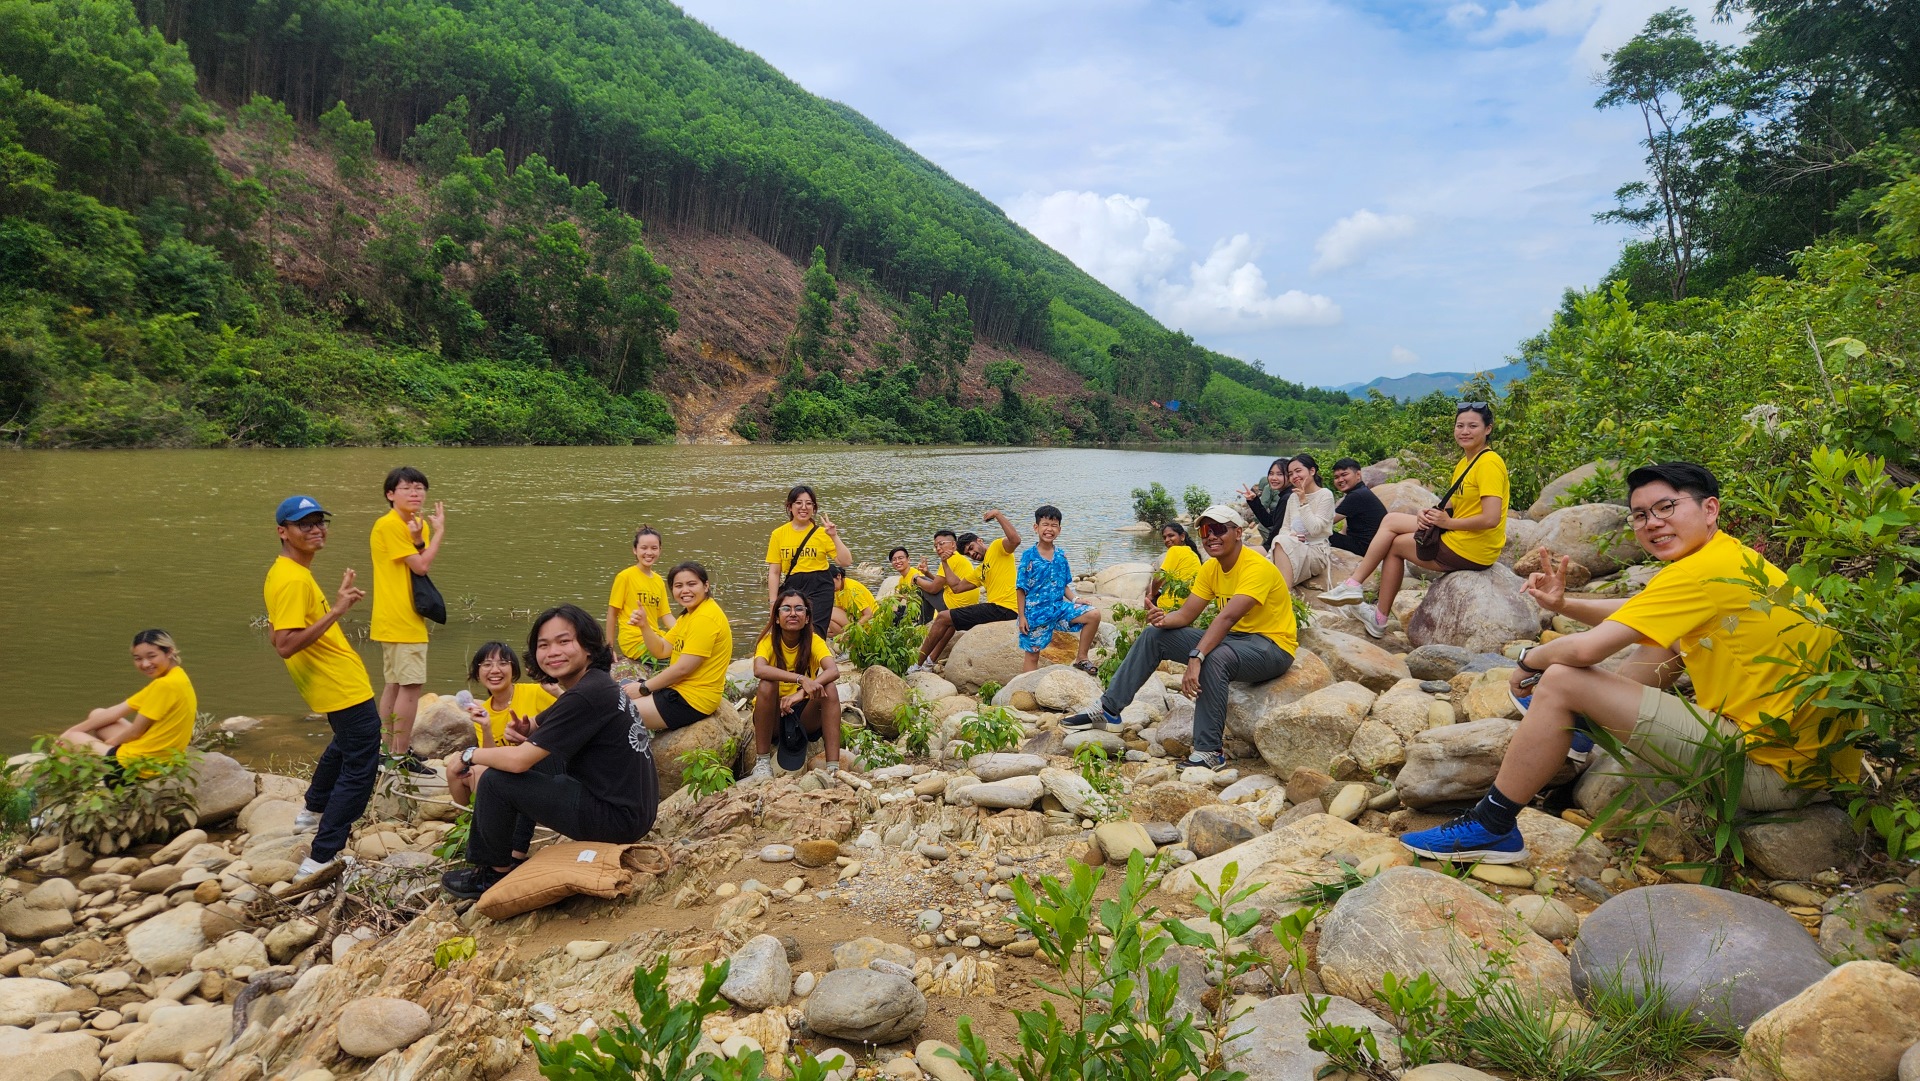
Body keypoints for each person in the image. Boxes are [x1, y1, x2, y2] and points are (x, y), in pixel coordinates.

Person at [1399, 462, 1860, 864]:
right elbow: (1642, 613)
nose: (1652, 523)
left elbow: (1583, 652)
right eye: (1641, 515)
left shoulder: (1698, 573)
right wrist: (1565, 604)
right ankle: (1580, 729)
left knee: (1560, 679)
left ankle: (1493, 824)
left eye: (1666, 508)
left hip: (1768, 774)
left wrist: (1528, 659)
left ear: (1710, 509)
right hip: (1817, 765)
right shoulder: (1728, 558)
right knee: (1669, 638)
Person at [440, 605, 659, 899]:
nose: (552, 652)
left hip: (616, 821)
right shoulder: (595, 684)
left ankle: (492, 875)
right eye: (543, 645)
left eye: (564, 641)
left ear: (589, 648)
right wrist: (525, 729)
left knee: (496, 779)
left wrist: (468, 755)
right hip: (631, 810)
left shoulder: (585, 694)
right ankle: (515, 855)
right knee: (538, 758)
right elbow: (539, 724)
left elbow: (518, 763)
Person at [1064, 504, 1296, 770]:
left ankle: (1210, 751)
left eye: (1219, 529)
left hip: (1272, 647)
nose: (1211, 536)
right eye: (1206, 530)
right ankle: (1108, 709)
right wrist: (1163, 619)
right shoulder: (1211, 569)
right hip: (1236, 640)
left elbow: (1227, 618)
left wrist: (1196, 657)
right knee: (1155, 635)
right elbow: (1186, 615)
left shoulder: (1257, 568)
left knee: (1214, 656)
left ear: (1239, 533)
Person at [265, 495, 381, 878]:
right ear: (283, 531)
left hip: (333, 684)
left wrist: (331, 606)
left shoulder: (284, 572)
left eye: (320, 522)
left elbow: (275, 632)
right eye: (305, 524)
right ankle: (322, 856)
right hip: (341, 685)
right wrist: (337, 610)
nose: (316, 529)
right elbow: (284, 645)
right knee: (360, 767)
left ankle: (311, 811)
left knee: (344, 744)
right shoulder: (293, 579)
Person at [1322, 402, 1509, 639]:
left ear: (1488, 429)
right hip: (1463, 536)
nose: (1464, 431)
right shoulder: (1467, 461)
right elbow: (1456, 503)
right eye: (1460, 425)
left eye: (1473, 426)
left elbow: (1491, 518)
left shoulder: (1489, 463)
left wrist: (1448, 524)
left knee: (1395, 544)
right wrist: (1429, 513)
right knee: (1391, 521)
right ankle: (1364, 599)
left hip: (1474, 547)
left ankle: (1364, 598)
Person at [369, 466, 444, 774]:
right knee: (410, 687)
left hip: (396, 616)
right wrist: (439, 531)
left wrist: (421, 538)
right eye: (407, 488)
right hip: (401, 617)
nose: (415, 493)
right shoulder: (389, 525)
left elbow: (416, 562)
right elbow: (422, 567)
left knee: (395, 684)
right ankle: (399, 756)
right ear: (390, 494)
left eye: (420, 488)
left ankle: (387, 750)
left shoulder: (413, 525)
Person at [59, 630, 197, 779]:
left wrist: (109, 743)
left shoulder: (165, 685)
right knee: (97, 714)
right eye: (138, 658)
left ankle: (61, 786)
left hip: (141, 769)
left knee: (71, 740)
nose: (145, 664)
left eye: (151, 656)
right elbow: (118, 710)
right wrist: (69, 730)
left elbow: (135, 732)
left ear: (169, 652)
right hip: (160, 758)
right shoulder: (177, 676)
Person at [749, 590, 853, 780]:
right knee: (767, 684)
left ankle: (833, 769)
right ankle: (762, 762)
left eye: (799, 609)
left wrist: (800, 694)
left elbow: (833, 671)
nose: (793, 613)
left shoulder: (813, 640)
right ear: (777, 618)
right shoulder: (769, 641)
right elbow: (759, 669)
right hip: (773, 717)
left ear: (806, 618)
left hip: (804, 715)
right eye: (786, 609)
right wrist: (801, 679)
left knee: (828, 687)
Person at [623, 562, 733, 732]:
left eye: (691, 584)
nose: (685, 591)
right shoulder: (688, 616)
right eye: (678, 586)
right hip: (678, 690)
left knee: (616, 712)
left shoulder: (706, 617)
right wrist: (644, 625)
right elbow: (661, 650)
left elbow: (683, 669)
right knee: (612, 698)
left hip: (692, 700)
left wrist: (643, 688)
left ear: (706, 586)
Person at [447, 641, 557, 807]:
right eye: (487, 664)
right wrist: (486, 727)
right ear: (478, 673)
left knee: (479, 772)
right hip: (508, 772)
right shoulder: (482, 711)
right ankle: (468, 819)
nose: (495, 670)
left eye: (503, 663)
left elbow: (573, 712)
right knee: (458, 771)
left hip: (545, 767)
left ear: (514, 671)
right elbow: (490, 759)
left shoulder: (536, 692)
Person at [911, 513, 1020, 673]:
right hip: (996, 609)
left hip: (1005, 608)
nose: (972, 554)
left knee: (942, 617)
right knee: (951, 620)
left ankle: (915, 665)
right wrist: (944, 562)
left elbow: (1015, 540)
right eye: (968, 553)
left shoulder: (998, 549)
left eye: (971, 548)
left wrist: (997, 515)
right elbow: (956, 587)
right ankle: (928, 663)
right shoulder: (980, 570)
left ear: (980, 541)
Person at [1015, 505, 1102, 674]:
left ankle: (1082, 659)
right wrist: (1022, 616)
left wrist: (1076, 599)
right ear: (1036, 527)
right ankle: (1026, 690)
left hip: (1059, 609)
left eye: (1054, 526)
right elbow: (1020, 588)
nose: (1049, 529)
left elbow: (1063, 585)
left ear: (1059, 530)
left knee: (1094, 614)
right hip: (1035, 613)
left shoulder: (1061, 556)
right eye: (1045, 524)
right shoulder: (1029, 556)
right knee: (1033, 655)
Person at [766, 485, 853, 638]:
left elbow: (845, 561)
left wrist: (834, 536)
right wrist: (773, 602)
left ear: (814, 507)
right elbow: (774, 572)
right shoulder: (778, 534)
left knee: (815, 630)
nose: (804, 507)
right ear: (790, 506)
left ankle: (812, 660)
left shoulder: (822, 533)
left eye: (809, 503)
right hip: (793, 585)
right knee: (792, 629)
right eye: (799, 503)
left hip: (820, 584)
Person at [1265, 454, 1336, 589]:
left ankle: (1284, 594)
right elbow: (1284, 528)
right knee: (1276, 546)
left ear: (1312, 471)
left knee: (1280, 542)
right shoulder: (1293, 497)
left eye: (1298, 471)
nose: (1294, 476)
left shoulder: (1325, 495)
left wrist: (1304, 502)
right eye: (1291, 473)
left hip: (1316, 551)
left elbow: (1315, 529)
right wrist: (1291, 535)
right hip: (1293, 546)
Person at [608, 525, 674, 665]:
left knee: (688, 649)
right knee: (678, 661)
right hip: (634, 640)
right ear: (635, 550)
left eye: (654, 548)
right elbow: (612, 613)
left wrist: (686, 629)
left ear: (660, 550)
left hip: (655, 637)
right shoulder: (625, 577)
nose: (649, 552)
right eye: (644, 548)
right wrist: (609, 647)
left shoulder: (658, 581)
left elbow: (666, 615)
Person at [1327, 458, 1387, 555]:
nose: (1340, 480)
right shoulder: (1362, 491)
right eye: (1336, 477)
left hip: (1364, 548)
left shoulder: (1357, 495)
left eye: (1344, 475)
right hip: (1369, 545)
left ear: (1358, 475)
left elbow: (1325, 523)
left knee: (1320, 534)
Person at [1147, 523, 1205, 611]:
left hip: (1171, 606)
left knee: (1149, 589)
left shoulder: (1174, 550)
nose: (1167, 540)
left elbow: (1158, 579)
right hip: (1191, 604)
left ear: (1182, 536)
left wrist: (1152, 594)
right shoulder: (1193, 553)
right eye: (1164, 537)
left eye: (1171, 536)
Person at [1238, 458, 1292, 547]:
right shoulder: (1284, 495)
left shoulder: (1288, 498)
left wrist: (1267, 549)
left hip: (1283, 547)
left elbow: (1277, 529)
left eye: (1279, 474)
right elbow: (1269, 521)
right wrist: (1254, 500)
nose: (1274, 478)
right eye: (1271, 474)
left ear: (1290, 477)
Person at [889, 546, 943, 625]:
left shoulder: (917, 576)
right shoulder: (902, 580)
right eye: (894, 559)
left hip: (928, 616)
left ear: (908, 559)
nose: (897, 561)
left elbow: (932, 590)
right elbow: (897, 600)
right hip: (915, 613)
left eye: (900, 558)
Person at [828, 564, 877, 635]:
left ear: (839, 576)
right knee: (827, 630)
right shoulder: (838, 588)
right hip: (856, 619)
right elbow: (841, 610)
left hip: (870, 624)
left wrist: (853, 630)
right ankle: (847, 639)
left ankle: (850, 640)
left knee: (829, 613)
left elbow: (869, 614)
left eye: (831, 583)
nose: (830, 587)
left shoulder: (852, 589)